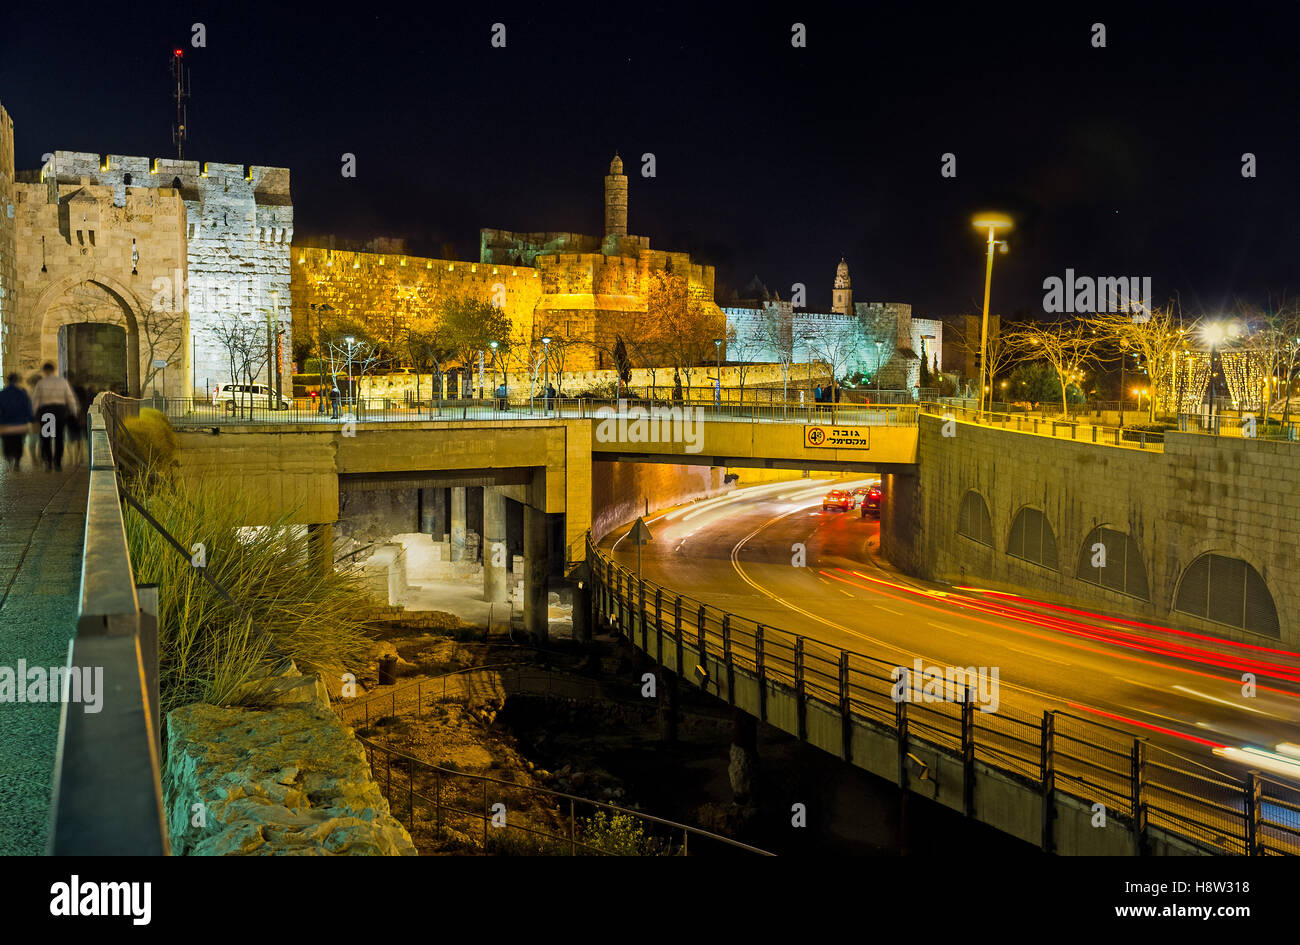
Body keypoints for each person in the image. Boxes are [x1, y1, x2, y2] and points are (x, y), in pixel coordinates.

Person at [31, 362, 80, 472]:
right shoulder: (63, 382)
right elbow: (70, 398)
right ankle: (57, 462)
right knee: (59, 438)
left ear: (45, 371)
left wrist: (33, 414)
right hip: (59, 411)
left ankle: (48, 462)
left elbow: (36, 400)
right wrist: (74, 412)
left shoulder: (41, 383)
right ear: (54, 370)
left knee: (46, 438)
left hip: (46, 411)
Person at [0, 374, 34, 472]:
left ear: (8, 381)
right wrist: (31, 419)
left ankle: (9, 459)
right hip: (20, 423)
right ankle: (17, 462)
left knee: (7, 442)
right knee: (18, 443)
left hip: (5, 423)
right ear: (17, 381)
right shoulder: (22, 393)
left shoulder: (2, 394)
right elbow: (27, 407)